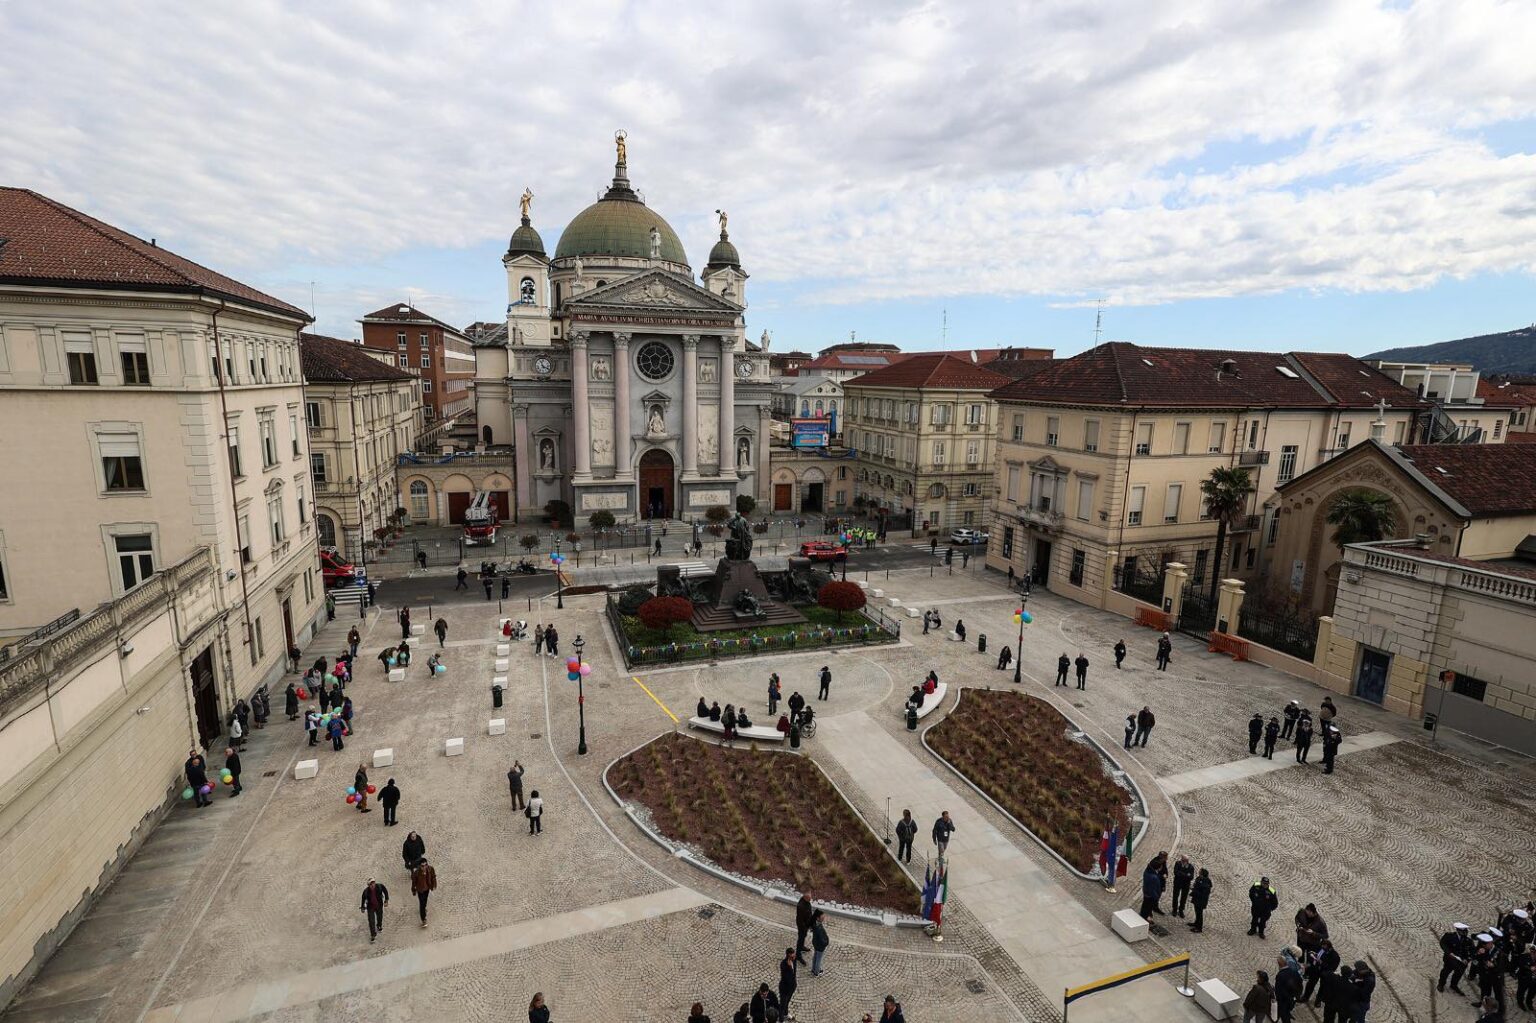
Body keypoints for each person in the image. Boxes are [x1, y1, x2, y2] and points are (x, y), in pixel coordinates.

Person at [1438, 922, 1473, 995]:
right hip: (1450, 960)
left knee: (1458, 974)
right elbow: (1443, 943)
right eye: (1463, 931)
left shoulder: (1468, 941)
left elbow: (1472, 951)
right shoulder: (1449, 936)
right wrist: (1449, 952)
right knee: (1445, 972)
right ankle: (1441, 984)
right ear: (1458, 931)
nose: (1464, 933)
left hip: (1462, 962)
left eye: (1465, 931)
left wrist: (1468, 959)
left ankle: (1454, 985)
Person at [1305, 938, 1340, 1006]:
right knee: (1310, 983)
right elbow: (1318, 955)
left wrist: (1321, 962)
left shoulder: (1335, 956)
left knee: (1323, 987)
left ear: (1327, 946)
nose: (1322, 948)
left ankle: (1318, 1000)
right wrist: (1314, 955)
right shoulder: (1322, 949)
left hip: (1325, 974)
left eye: (1323, 947)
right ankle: (1305, 997)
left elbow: (1332, 968)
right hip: (1316, 970)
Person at [1275, 953, 1303, 1023]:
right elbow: (1300, 983)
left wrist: (1278, 1000)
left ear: (1279, 964)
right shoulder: (1294, 972)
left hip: (1284, 1001)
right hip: (1293, 998)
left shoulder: (1280, 975)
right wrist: (1297, 995)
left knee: (1285, 1017)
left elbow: (1278, 991)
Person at [410, 856, 437, 927]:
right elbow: (414, 882)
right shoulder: (416, 873)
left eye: (426, 865)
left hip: (427, 889)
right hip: (420, 890)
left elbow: (433, 877)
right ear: (419, 866)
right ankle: (423, 919)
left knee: (424, 902)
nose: (424, 867)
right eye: (422, 866)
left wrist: (434, 885)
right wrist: (413, 890)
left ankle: (424, 910)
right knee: (421, 904)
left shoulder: (430, 869)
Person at [360, 878, 389, 942]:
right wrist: (362, 907)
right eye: (371, 884)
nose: (372, 885)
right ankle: (373, 934)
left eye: (373, 883)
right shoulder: (366, 891)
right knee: (371, 920)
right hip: (370, 907)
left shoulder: (379, 886)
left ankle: (379, 925)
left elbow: (385, 891)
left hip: (379, 905)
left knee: (380, 916)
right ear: (368, 885)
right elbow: (363, 899)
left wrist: (386, 900)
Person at [778, 947, 798, 1020]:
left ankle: (786, 1014)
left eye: (794, 955)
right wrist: (790, 968)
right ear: (788, 956)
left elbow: (794, 973)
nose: (794, 957)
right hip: (785, 988)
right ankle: (781, 1019)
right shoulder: (783, 965)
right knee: (782, 1005)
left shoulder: (794, 960)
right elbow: (787, 979)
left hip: (792, 987)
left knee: (787, 1002)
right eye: (792, 956)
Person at [1190, 867, 1212, 932]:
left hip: (1201, 901)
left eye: (1200, 872)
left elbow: (1203, 894)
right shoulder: (1199, 879)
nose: (1198, 872)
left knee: (1199, 914)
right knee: (1197, 912)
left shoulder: (1206, 884)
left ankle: (1199, 928)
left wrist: (1194, 890)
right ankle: (1196, 923)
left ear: (1202, 874)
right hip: (1196, 899)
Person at [810, 909, 830, 976]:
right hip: (820, 946)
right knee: (818, 959)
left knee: (815, 956)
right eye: (822, 917)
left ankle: (813, 969)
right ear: (818, 918)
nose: (823, 918)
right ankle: (816, 972)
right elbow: (822, 939)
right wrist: (826, 942)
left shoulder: (814, 924)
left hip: (816, 944)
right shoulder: (819, 928)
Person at [795, 893, 814, 961]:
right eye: (809, 898)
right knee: (800, 939)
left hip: (806, 924)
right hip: (802, 926)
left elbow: (809, 913)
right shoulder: (800, 906)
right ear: (805, 898)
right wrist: (805, 928)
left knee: (803, 937)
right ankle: (798, 955)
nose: (810, 900)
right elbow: (800, 920)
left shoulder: (807, 902)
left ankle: (802, 947)